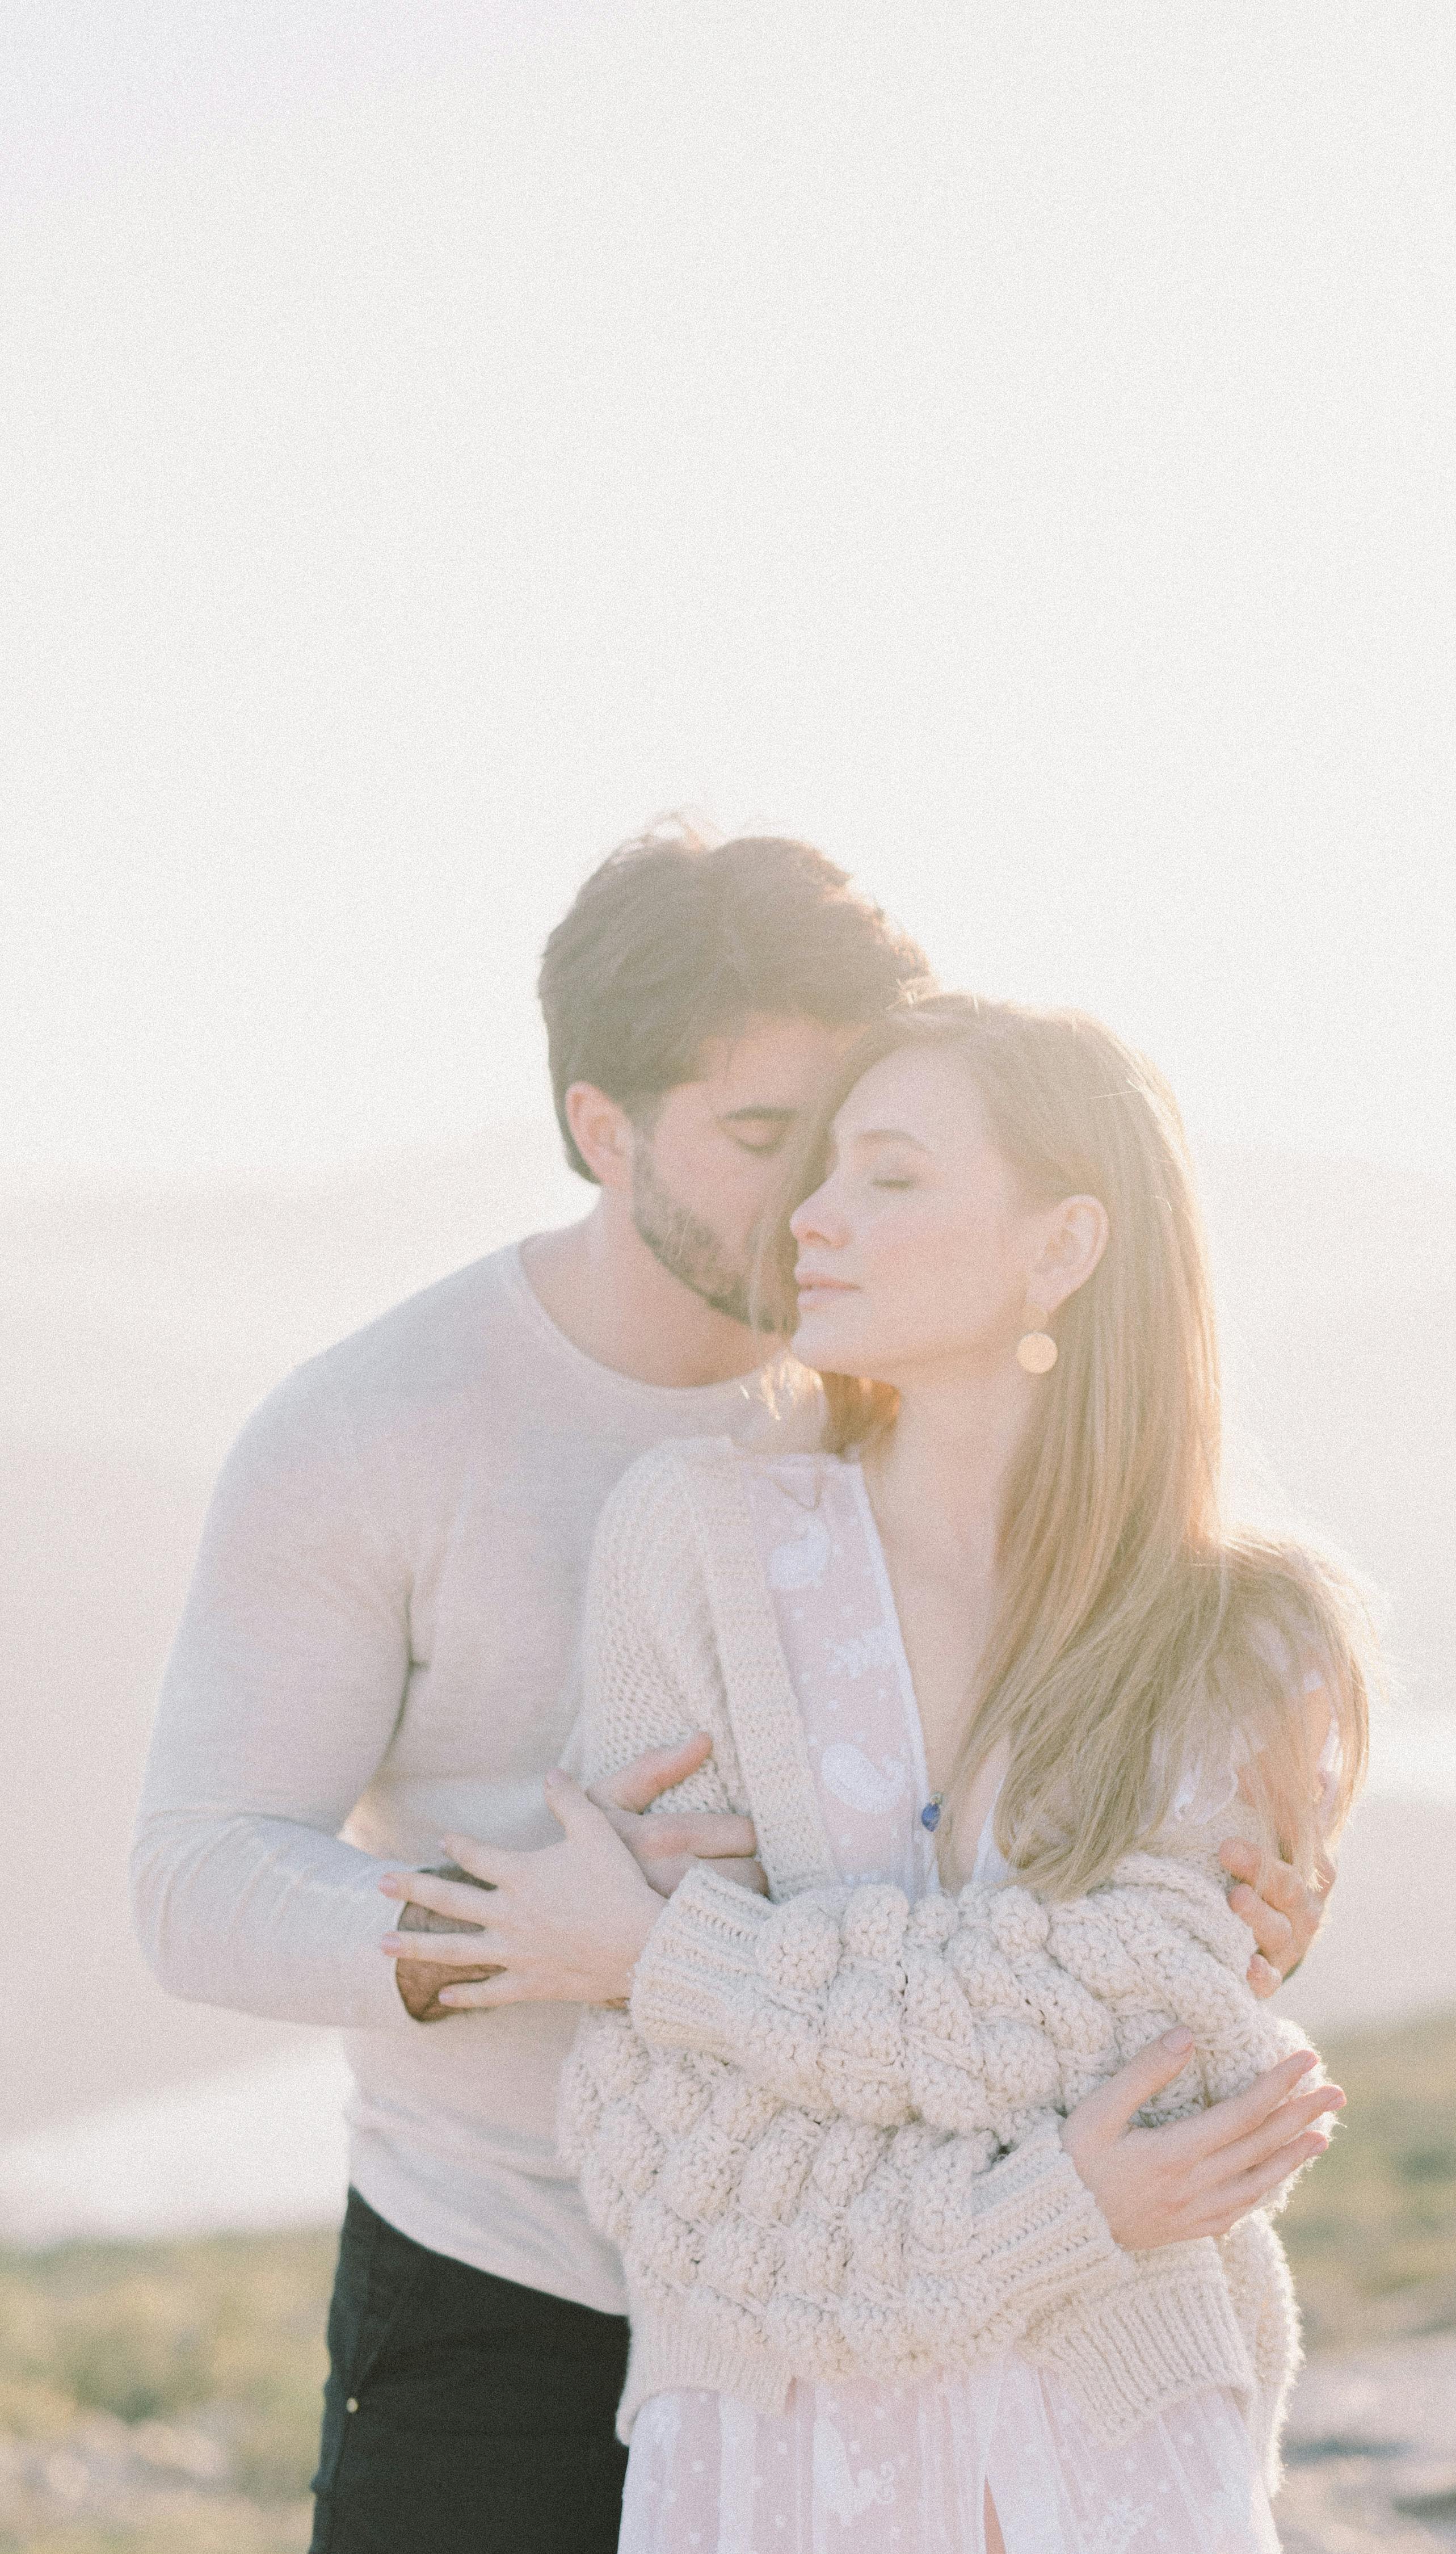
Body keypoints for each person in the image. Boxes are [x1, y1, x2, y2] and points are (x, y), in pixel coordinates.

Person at [131, 831, 1326, 2554]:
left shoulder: (923, 1375)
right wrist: (518, 1929)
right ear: (604, 1131)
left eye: (855, 1146)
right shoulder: (380, 1428)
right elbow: (193, 1881)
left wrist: (1216, 1904)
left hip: (941, 2282)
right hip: (511, 2279)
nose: (812, 1210)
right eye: (767, 1143)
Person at [380, 994, 1374, 2553]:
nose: (814, 1220)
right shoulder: (698, 1547)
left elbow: (1155, 2044)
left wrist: (672, 1957)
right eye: (820, 1168)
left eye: (890, 1176)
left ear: (1059, 1246)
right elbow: (672, 2161)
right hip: (770, 2456)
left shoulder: (1244, 1642)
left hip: (1127, 2466)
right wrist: (1060, 2210)